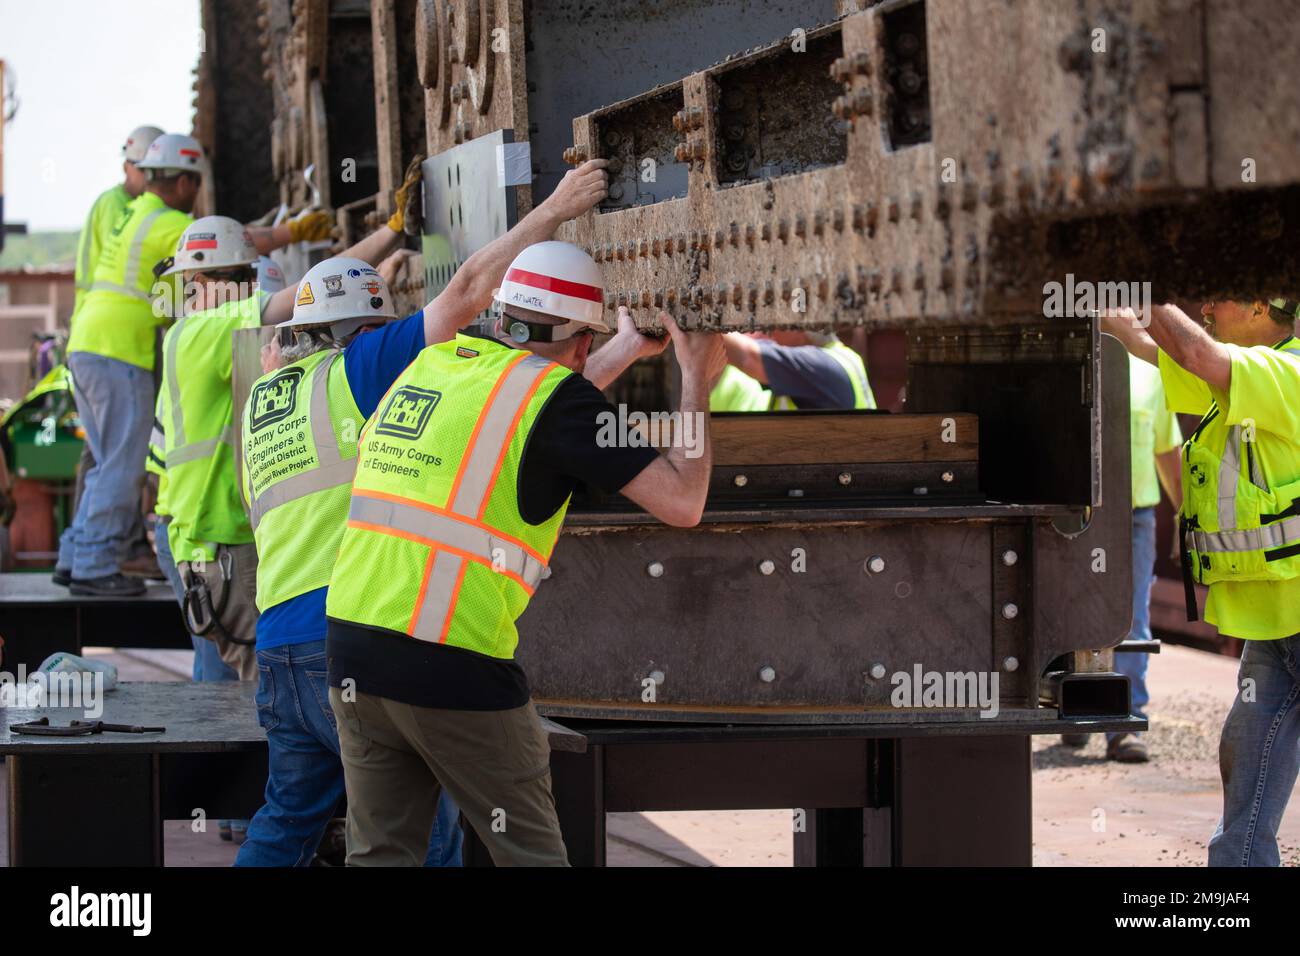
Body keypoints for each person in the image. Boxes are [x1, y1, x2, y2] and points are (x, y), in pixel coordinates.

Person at [234, 160, 611, 866]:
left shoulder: (268, 400)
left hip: (279, 648)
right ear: (361, 331)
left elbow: (519, 416)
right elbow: (468, 291)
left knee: (286, 820)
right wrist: (554, 211)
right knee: (424, 840)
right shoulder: (362, 371)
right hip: (347, 631)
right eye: (382, 325)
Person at [320, 231, 724, 865]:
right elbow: (683, 501)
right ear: (581, 341)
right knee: (531, 858)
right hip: (451, 660)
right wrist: (696, 377)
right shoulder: (559, 402)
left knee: (382, 857)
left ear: (504, 316)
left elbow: (524, 404)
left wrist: (618, 351)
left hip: (352, 650)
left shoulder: (435, 364)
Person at [56, 133, 332, 597]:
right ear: (183, 182)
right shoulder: (169, 222)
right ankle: (94, 565)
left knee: (105, 459)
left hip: (89, 339)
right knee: (121, 461)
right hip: (117, 346)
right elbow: (241, 242)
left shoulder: (133, 213)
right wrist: (296, 232)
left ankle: (76, 554)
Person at [1102, 297, 1300, 866]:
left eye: (1221, 294)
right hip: (1275, 623)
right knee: (1247, 754)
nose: (1207, 304)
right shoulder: (1236, 379)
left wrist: (1150, 286)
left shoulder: (1285, 373)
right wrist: (1101, 286)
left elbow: (1192, 348)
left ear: (1263, 305)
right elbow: (1150, 345)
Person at [1063, 353, 1183, 761]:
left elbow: (1166, 449)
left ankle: (1124, 721)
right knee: (1073, 613)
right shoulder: (1074, 361)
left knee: (1132, 617)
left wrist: (1185, 513)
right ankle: (1076, 706)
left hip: (1134, 517)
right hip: (1077, 515)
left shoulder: (1152, 374)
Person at [710, 329, 874, 411]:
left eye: (776, 324)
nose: (768, 331)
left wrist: (701, 321)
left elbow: (747, 358)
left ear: (799, 327)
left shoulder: (821, 367)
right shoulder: (841, 357)